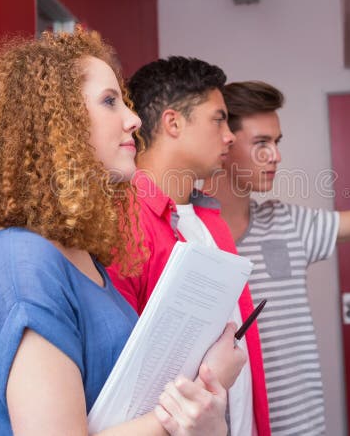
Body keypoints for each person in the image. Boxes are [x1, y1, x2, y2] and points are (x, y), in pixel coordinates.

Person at [0, 30, 245, 436]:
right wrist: (194, 394)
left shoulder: (81, 257)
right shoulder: (22, 260)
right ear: (54, 122)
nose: (132, 119)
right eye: (110, 102)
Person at [203, 81, 350, 435]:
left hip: (304, 427)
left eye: (276, 143)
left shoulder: (288, 223)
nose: (276, 156)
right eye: (261, 143)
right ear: (225, 144)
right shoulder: (189, 238)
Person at [107, 57, 271, 436]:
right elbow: (127, 383)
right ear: (173, 122)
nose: (229, 136)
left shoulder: (210, 217)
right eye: (218, 119)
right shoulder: (123, 224)